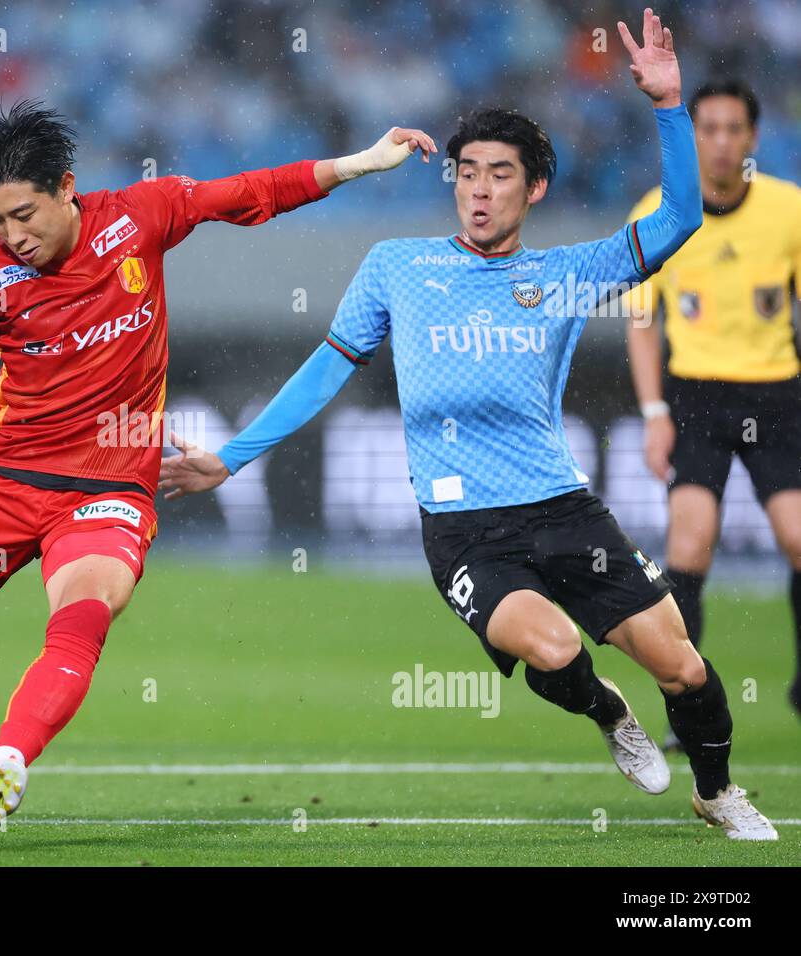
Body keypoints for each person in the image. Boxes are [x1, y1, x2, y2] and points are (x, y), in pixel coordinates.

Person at [160, 9, 776, 839]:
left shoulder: (561, 275)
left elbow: (678, 225)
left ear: (536, 188)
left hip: (564, 510)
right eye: (466, 173)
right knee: (555, 649)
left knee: (684, 664)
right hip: (464, 530)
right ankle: (606, 713)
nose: (478, 190)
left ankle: (717, 792)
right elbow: (326, 367)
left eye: (498, 175)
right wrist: (231, 460)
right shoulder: (398, 267)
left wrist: (668, 105)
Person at [0, 98, 437, 837]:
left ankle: (7, 764)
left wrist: (360, 163)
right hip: (7, 480)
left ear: (67, 186)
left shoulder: (139, 218)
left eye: (24, 215)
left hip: (110, 486)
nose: (12, 237)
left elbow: (247, 193)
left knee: (86, 608)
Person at [625, 77, 801, 749]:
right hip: (694, 395)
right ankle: (687, 703)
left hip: (778, 392)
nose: (721, 142)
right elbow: (641, 322)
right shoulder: (660, 211)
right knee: (688, 545)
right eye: (709, 129)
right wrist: (652, 412)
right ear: (691, 136)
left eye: (734, 130)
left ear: (753, 138)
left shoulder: (788, 211)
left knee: (799, 539)